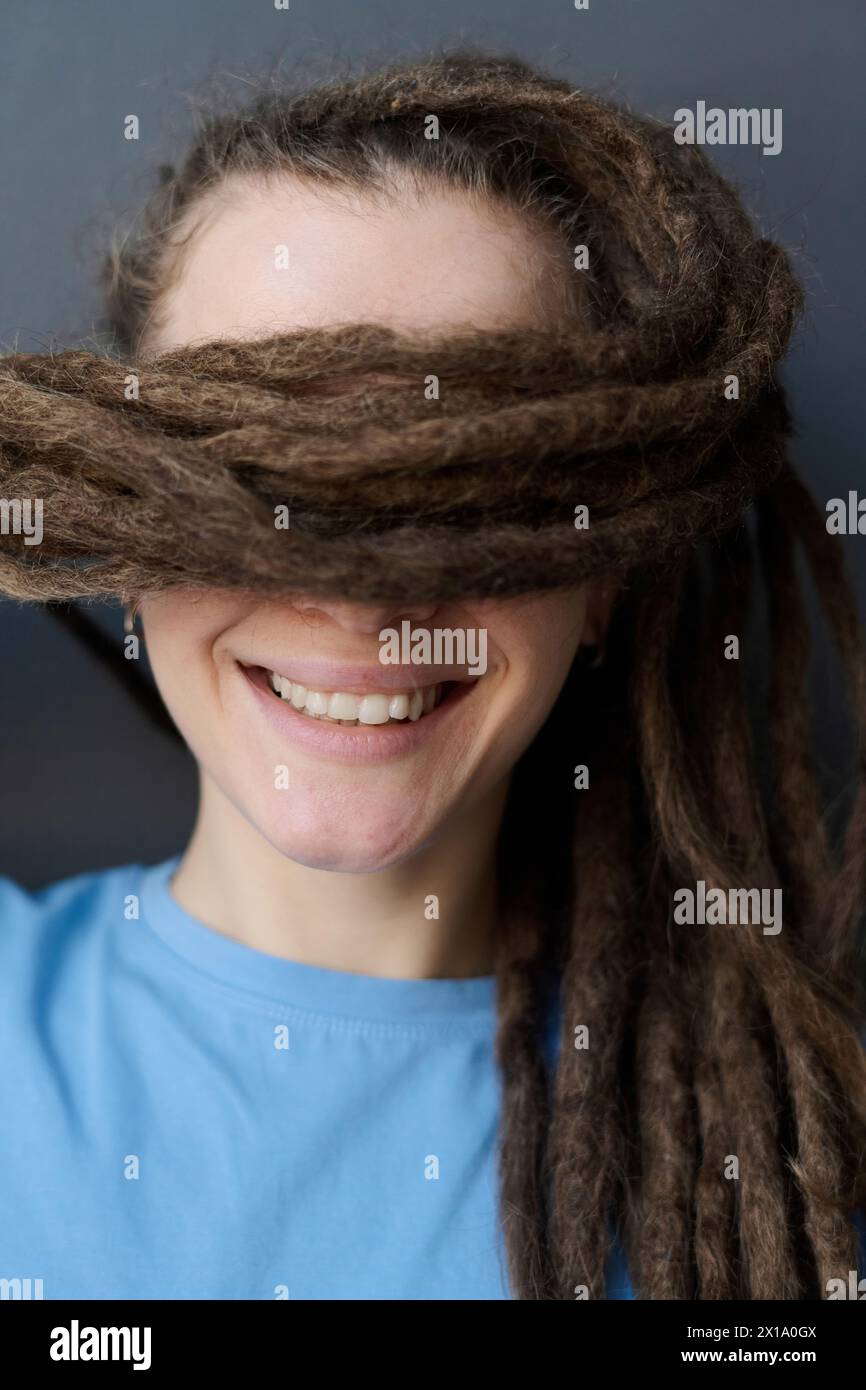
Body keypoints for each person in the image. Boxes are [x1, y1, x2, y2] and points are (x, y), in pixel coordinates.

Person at [0, 51, 863, 1301]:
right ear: (125, 533)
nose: (358, 600)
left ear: (605, 573)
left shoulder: (791, 1181)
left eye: (474, 489)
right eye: (262, 483)